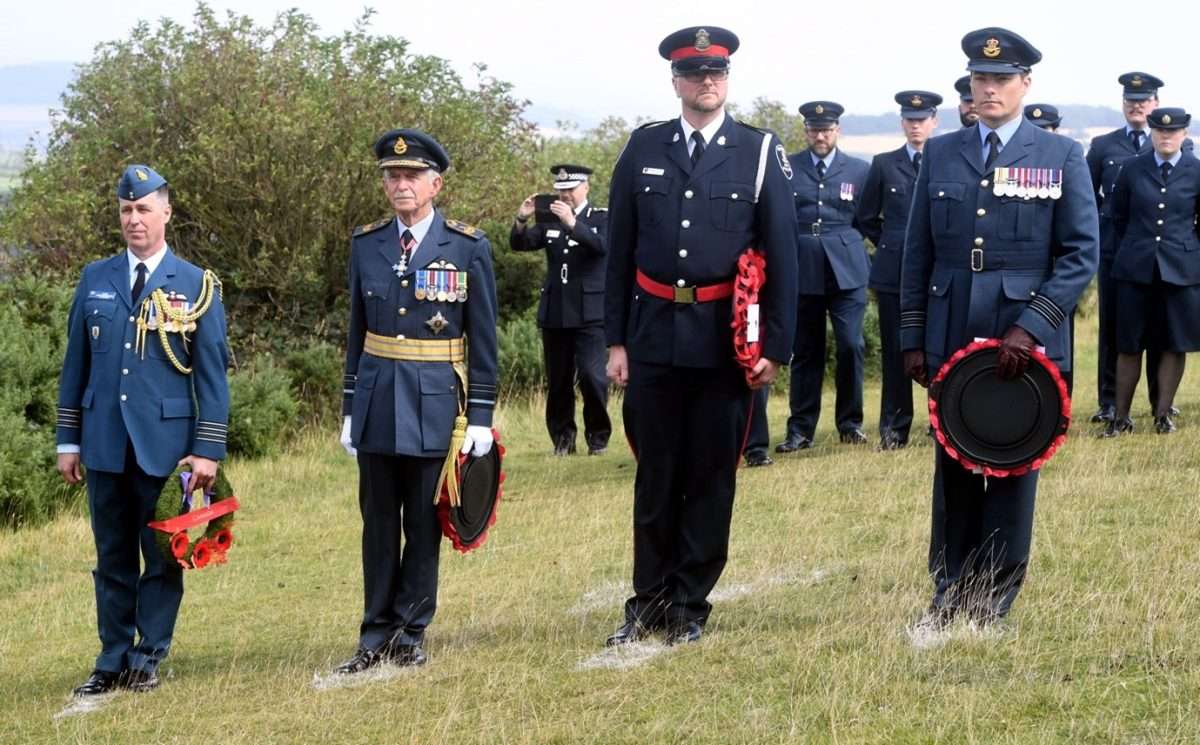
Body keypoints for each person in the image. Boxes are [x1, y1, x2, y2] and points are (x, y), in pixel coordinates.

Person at [604, 25, 798, 646]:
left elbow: (784, 256)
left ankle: (688, 605)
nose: (705, 82)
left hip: (725, 342)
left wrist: (776, 347)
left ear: (727, 78)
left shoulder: (760, 150)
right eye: (693, 73)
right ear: (675, 82)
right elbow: (619, 254)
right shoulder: (642, 147)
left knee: (712, 475)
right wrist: (616, 340)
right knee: (655, 475)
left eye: (715, 72)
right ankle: (647, 602)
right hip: (654, 335)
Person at [900, 28, 1097, 629]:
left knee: (1012, 462)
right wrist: (912, 335)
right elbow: (918, 250)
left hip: (1023, 335)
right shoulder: (941, 151)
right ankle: (949, 586)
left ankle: (993, 596)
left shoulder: (1060, 155)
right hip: (954, 321)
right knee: (954, 464)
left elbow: (1080, 252)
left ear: (1025, 84)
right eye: (980, 79)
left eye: (1001, 79)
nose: (989, 89)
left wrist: (1032, 325)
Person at [56, 165, 230, 696]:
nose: (134, 219)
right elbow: (75, 364)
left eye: (144, 209)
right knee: (111, 556)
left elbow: (212, 373)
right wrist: (69, 438)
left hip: (166, 449)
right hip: (104, 443)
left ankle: (147, 655)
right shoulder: (96, 278)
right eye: (127, 210)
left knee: (160, 556)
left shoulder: (195, 284)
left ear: (166, 213)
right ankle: (110, 657)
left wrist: (207, 449)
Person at [336, 128, 498, 672]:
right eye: (391, 176)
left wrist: (480, 414)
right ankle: (373, 632)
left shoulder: (467, 246)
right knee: (378, 521)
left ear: (436, 183)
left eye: (410, 176)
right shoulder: (366, 243)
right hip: (379, 399)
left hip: (436, 404)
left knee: (424, 522)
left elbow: (483, 337)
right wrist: (349, 409)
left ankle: (411, 630)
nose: (400, 184)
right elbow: (356, 334)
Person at [1085, 73, 1188, 424]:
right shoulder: (1104, 146)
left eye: (1143, 100)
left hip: (1169, 259)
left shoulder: (1180, 153)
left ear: (1155, 103)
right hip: (1121, 254)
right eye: (1131, 99)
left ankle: (1162, 406)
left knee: (1165, 334)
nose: (1137, 105)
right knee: (1117, 334)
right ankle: (1110, 405)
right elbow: (1093, 200)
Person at [776, 100, 870, 452]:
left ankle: (850, 423)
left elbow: (867, 220)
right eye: (815, 129)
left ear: (837, 131)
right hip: (803, 267)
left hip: (847, 269)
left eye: (827, 129)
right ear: (806, 131)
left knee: (851, 344)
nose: (821, 135)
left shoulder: (859, 170)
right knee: (806, 351)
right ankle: (800, 430)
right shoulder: (789, 167)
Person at [1104, 107, 1199, 436]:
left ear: (1184, 135)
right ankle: (1121, 418)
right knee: (1129, 344)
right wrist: (1134, 248)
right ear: (1153, 133)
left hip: (1180, 270)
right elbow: (1118, 216)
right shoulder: (1132, 168)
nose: (1166, 136)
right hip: (1135, 268)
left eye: (1173, 132)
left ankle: (1162, 415)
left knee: (1174, 343)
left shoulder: (1196, 170)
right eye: (1160, 131)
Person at [857, 90, 941, 450]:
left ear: (934, 122)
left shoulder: (945, 160)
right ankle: (894, 428)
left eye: (921, 120)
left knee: (939, 349)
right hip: (894, 272)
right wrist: (893, 244)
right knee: (896, 352)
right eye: (909, 120)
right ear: (902, 123)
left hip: (939, 272)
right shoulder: (883, 163)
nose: (915, 126)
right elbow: (864, 216)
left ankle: (943, 422)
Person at [510, 165, 611, 456]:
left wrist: (572, 224)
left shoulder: (601, 217)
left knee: (592, 377)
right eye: (561, 189)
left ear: (586, 188)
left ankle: (598, 437)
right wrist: (521, 218)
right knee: (559, 381)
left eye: (570, 189)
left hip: (590, 311)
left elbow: (602, 246)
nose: (565, 194)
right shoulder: (548, 219)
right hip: (556, 310)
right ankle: (563, 440)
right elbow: (521, 243)